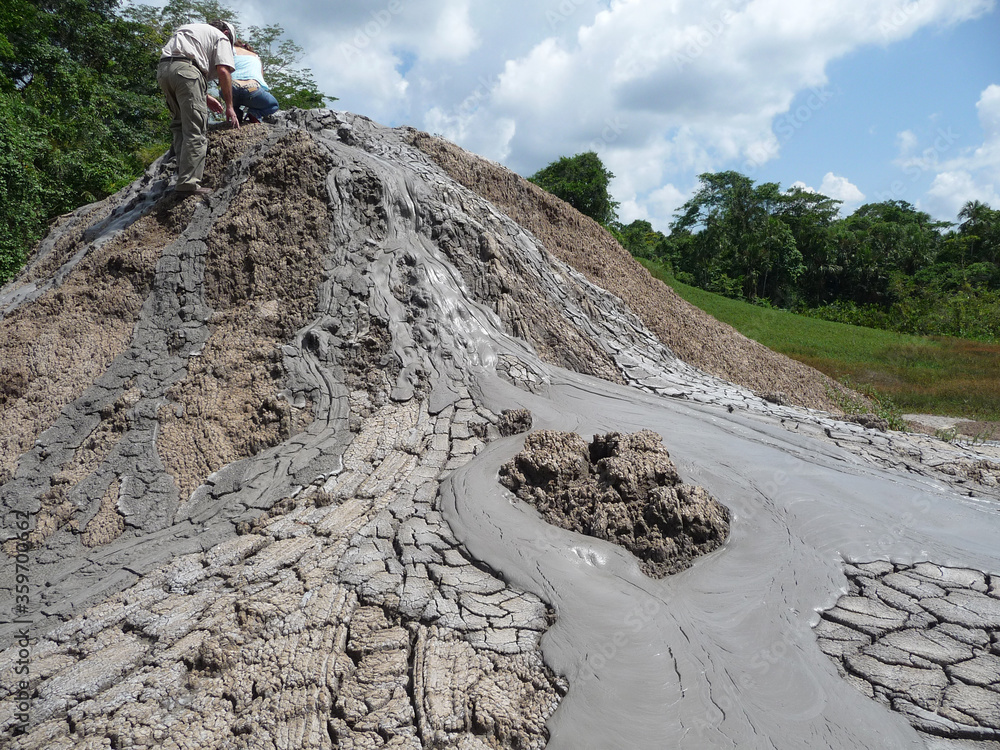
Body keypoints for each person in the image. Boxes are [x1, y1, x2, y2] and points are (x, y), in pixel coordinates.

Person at [157, 19, 240, 195]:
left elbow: (179, 67)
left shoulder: (192, 29)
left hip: (164, 71)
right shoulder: (221, 37)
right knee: (195, 129)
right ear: (227, 34)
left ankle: (182, 177)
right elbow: (223, 71)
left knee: (179, 125)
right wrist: (230, 106)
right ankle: (188, 184)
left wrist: (205, 95)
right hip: (187, 72)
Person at [231, 41, 280, 123]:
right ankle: (254, 113)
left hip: (231, 87)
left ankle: (235, 111)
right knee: (274, 105)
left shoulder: (231, 50)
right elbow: (260, 78)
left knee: (233, 95)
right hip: (252, 88)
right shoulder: (256, 57)